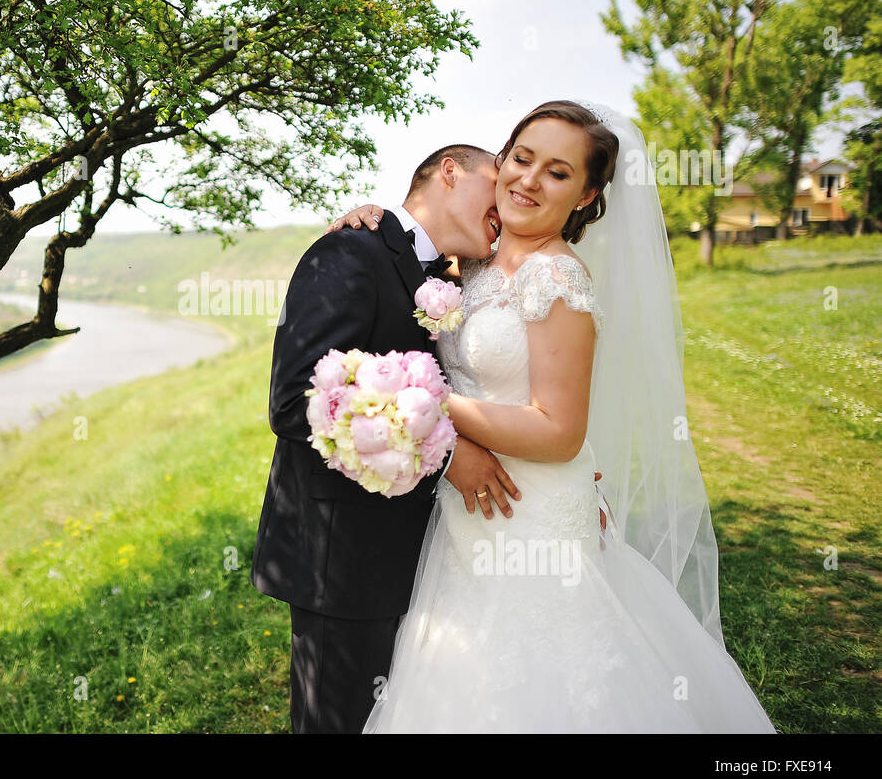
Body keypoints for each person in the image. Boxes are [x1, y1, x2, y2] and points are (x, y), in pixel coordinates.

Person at [332, 100, 775, 732]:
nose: (528, 180)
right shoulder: (476, 264)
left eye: (558, 173)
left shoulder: (558, 280)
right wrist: (365, 222)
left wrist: (424, 402)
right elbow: (406, 256)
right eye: (521, 158)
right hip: (467, 516)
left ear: (588, 194)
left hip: (528, 512)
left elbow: (559, 431)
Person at [251, 143, 521, 734]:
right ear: (449, 172)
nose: (505, 201)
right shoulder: (350, 250)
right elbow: (297, 399)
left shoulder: (455, 274)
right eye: (497, 181)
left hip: (427, 551)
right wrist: (447, 454)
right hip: (345, 555)